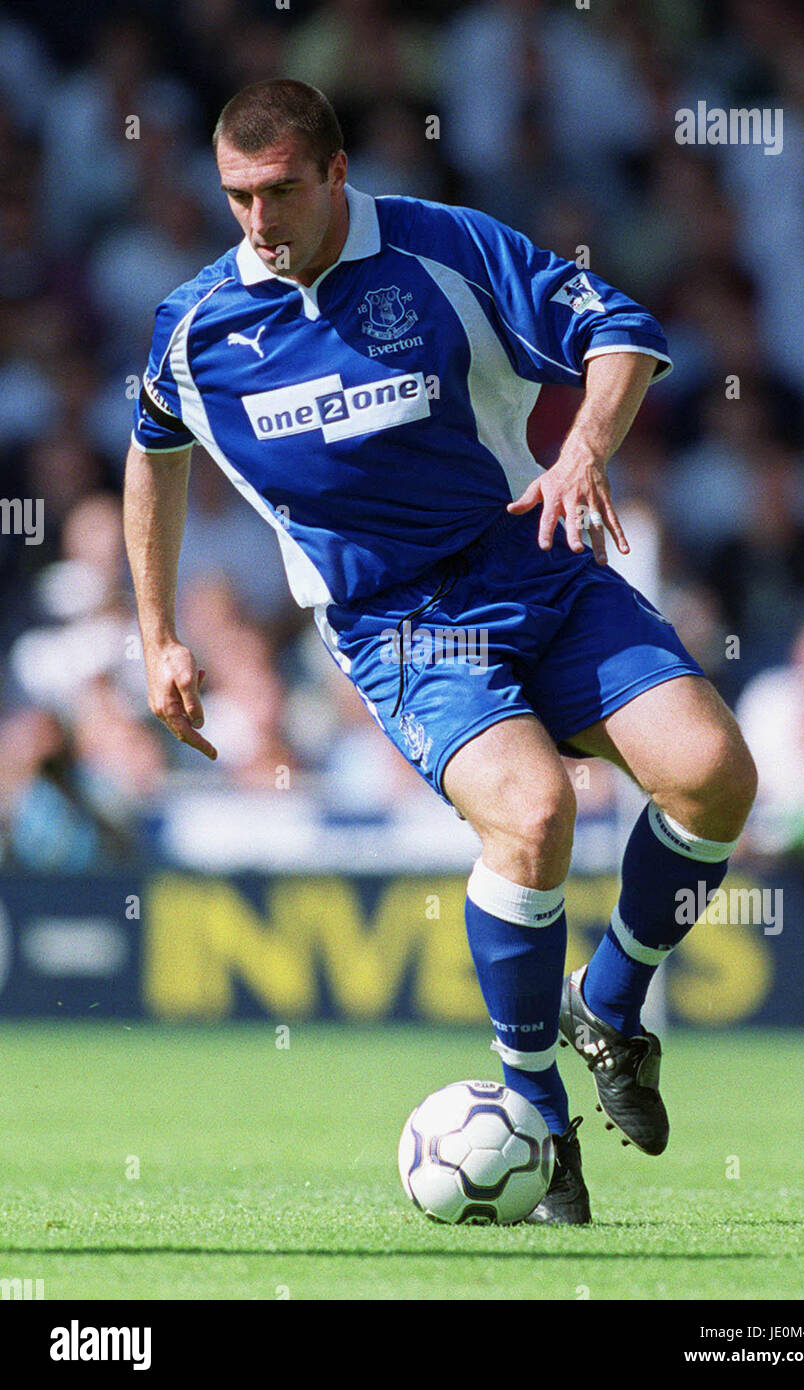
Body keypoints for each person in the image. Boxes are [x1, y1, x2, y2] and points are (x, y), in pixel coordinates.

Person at [124, 79, 758, 1226]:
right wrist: (158, 631)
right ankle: (540, 1118)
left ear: (333, 176)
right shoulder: (197, 322)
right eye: (235, 198)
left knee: (714, 773)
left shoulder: (442, 247)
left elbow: (615, 330)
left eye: (277, 193)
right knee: (530, 814)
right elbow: (152, 446)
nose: (258, 223)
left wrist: (583, 451)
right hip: (398, 624)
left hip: (532, 555)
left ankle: (608, 1005)